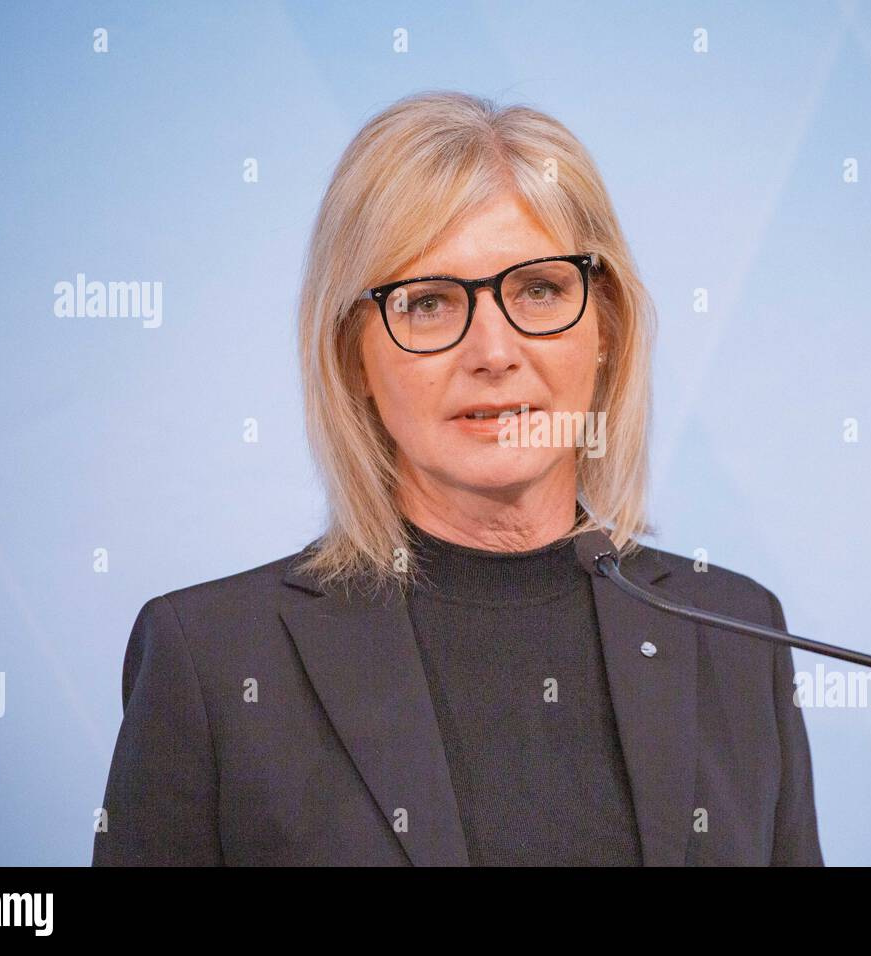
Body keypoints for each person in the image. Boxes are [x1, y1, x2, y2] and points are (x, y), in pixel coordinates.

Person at [92, 90, 823, 866]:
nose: (494, 351)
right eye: (430, 303)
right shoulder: (213, 658)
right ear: (353, 357)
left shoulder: (736, 633)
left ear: (605, 325)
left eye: (540, 289)